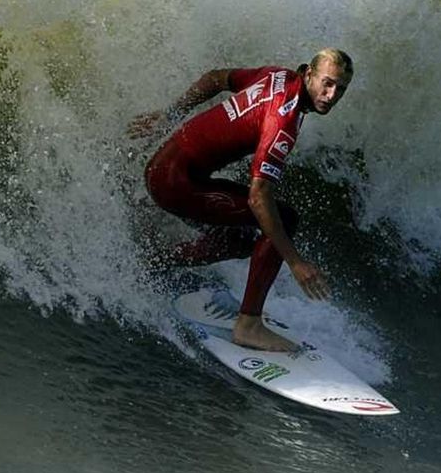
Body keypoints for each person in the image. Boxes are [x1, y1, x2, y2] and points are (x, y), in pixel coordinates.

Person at [128, 48, 354, 352]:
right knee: (283, 220)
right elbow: (258, 197)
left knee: (241, 241)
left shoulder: (278, 75)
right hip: (175, 183)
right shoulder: (283, 120)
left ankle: (154, 262)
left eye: (340, 89)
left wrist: (171, 114)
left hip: (167, 167)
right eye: (327, 83)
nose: (331, 95)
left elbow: (216, 78)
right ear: (309, 74)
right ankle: (249, 326)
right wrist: (296, 262)